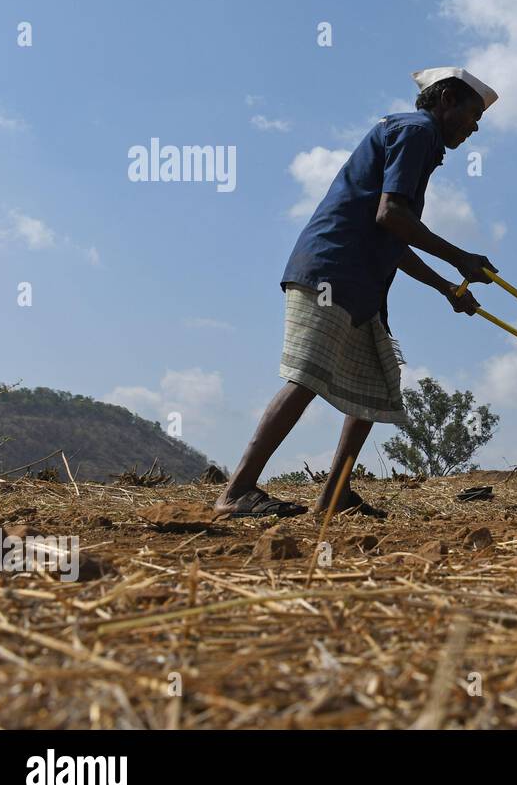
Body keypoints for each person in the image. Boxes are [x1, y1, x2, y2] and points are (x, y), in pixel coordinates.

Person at [213, 67, 499, 519]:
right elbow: (391, 216)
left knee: (374, 388)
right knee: (307, 375)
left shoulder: (413, 135)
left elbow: (393, 235)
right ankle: (236, 492)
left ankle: (334, 495)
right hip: (334, 269)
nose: (476, 125)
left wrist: (447, 287)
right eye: (473, 112)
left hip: (359, 279)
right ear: (445, 99)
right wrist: (459, 258)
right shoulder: (418, 131)